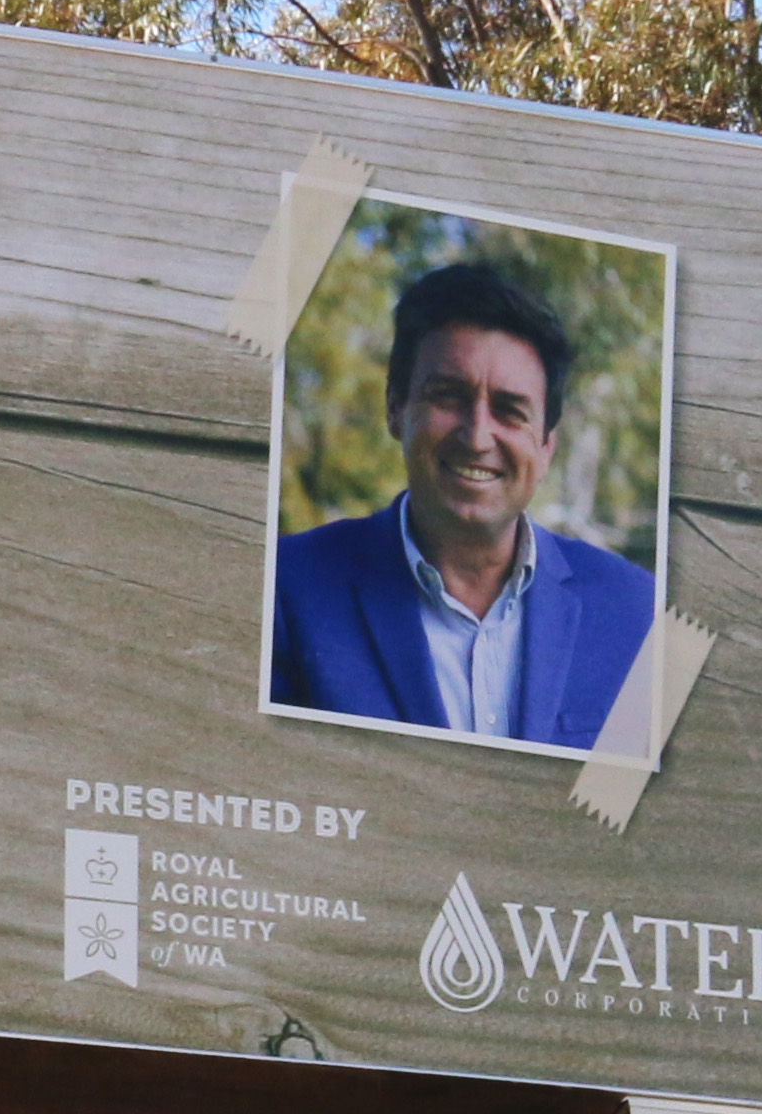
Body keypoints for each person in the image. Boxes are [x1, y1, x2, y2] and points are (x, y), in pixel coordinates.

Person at [270, 259, 655, 751]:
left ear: (546, 445)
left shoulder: (636, 614)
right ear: (395, 409)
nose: (476, 437)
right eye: (448, 397)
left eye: (510, 411)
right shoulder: (286, 589)